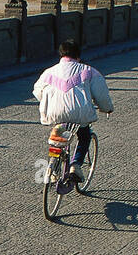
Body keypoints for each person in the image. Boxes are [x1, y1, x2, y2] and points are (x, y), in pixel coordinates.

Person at [32, 39, 114, 183]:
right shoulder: (88, 71)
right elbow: (101, 94)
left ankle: (52, 165)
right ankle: (76, 165)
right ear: (78, 55)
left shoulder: (48, 72)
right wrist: (107, 108)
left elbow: (37, 91)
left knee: (58, 137)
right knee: (84, 136)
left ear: (61, 54)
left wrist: (50, 102)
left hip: (54, 112)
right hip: (79, 113)